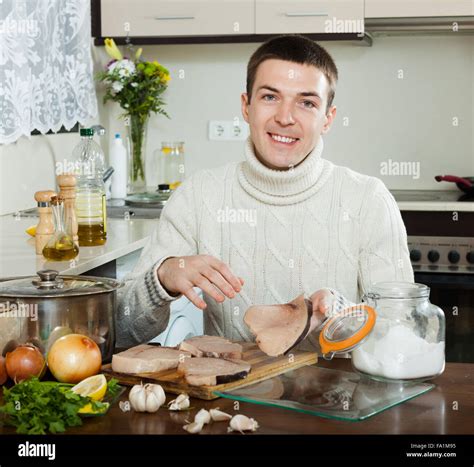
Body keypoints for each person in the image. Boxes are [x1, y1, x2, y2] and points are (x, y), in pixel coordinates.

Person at [116, 34, 413, 352]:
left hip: (341, 398)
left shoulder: (368, 200)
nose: (285, 117)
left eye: (307, 103)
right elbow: (122, 331)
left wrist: (343, 319)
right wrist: (161, 278)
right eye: (270, 97)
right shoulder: (198, 196)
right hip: (228, 398)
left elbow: (404, 336)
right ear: (246, 106)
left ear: (328, 118)